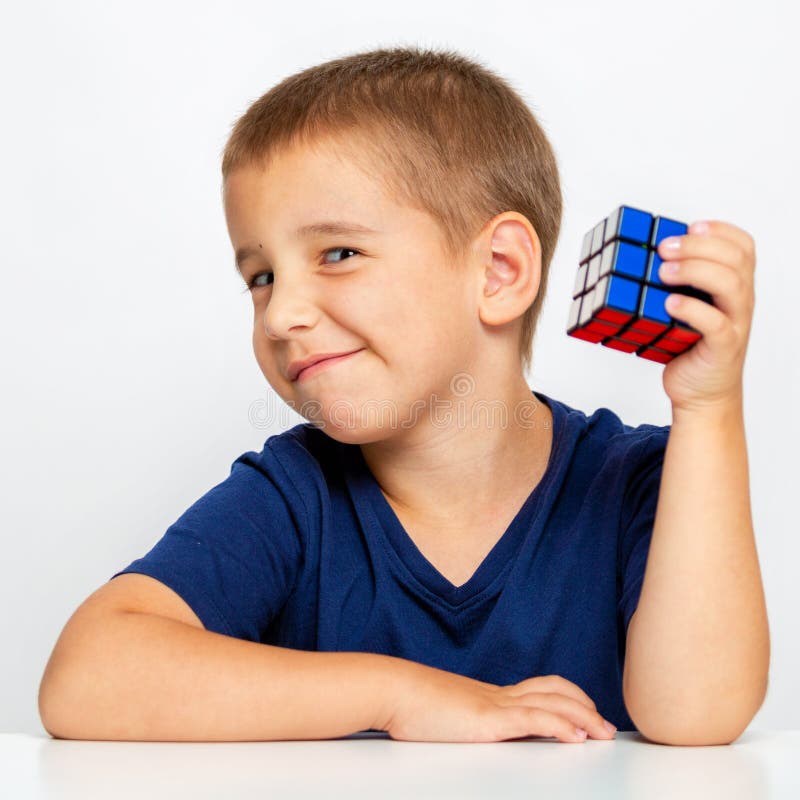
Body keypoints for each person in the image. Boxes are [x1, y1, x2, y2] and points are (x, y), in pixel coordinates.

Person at [38, 45, 767, 747]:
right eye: (260, 276)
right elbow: (86, 677)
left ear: (500, 271)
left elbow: (698, 714)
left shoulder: (639, 482)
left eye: (338, 254)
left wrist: (707, 408)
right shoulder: (292, 497)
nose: (281, 312)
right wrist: (403, 695)